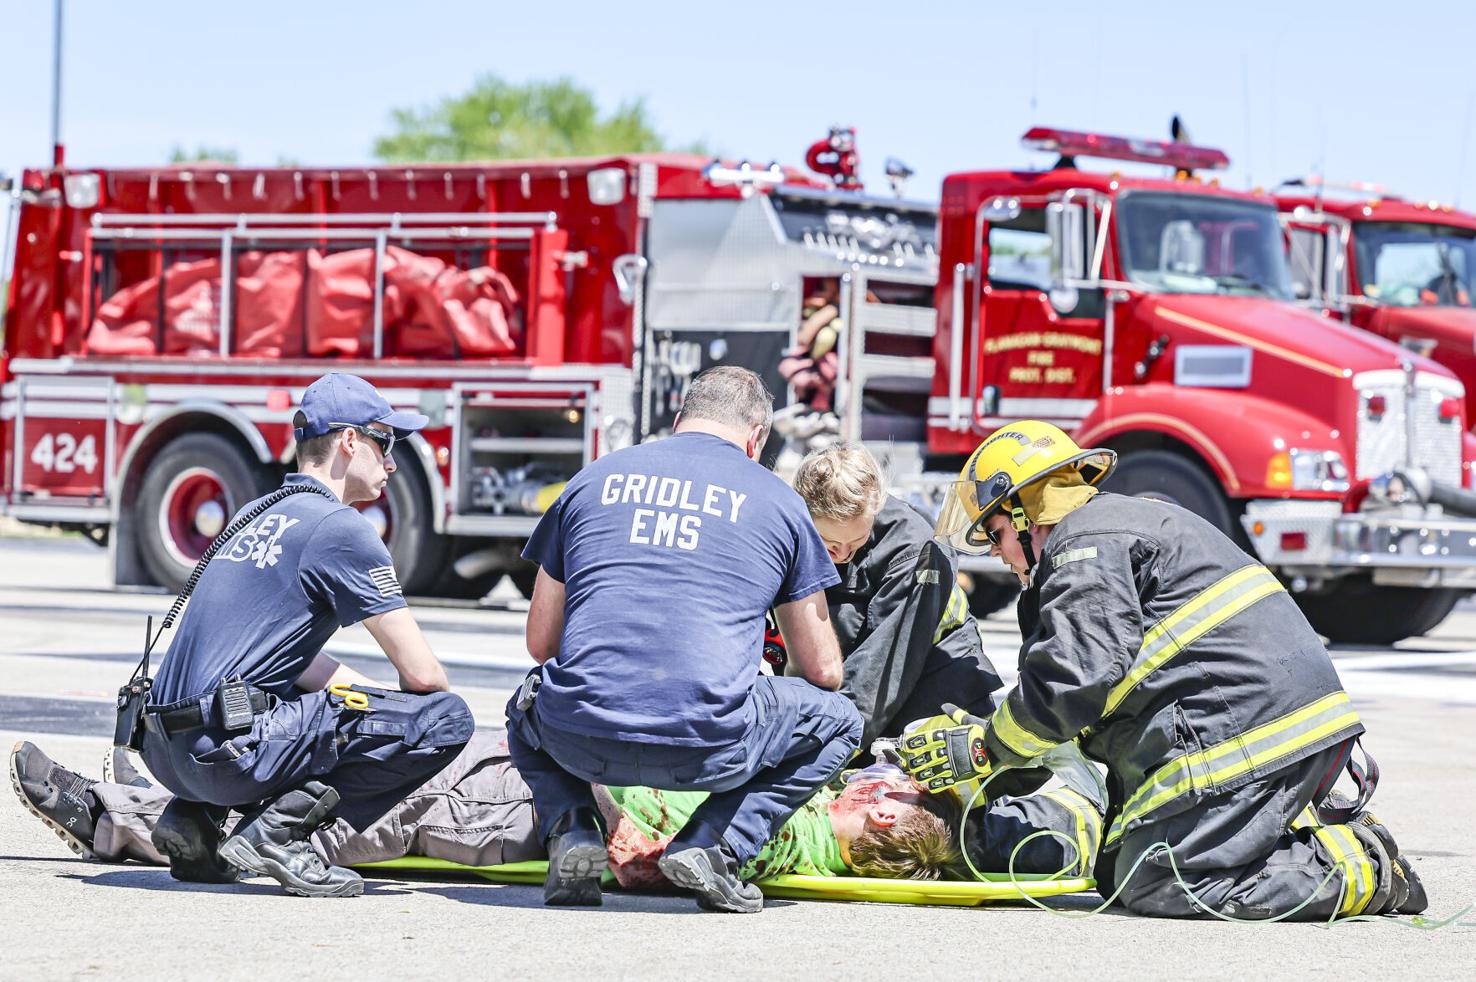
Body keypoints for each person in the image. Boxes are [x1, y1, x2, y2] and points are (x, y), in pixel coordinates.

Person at [899, 420, 1428, 919]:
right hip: (1265, 725)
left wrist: (981, 750)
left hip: (1252, 737)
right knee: (1112, 869)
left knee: (1161, 878)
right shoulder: (1114, 528)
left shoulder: (1084, 543)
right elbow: (1084, 704)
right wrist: (993, 755)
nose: (998, 554)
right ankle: (1301, 836)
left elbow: (1072, 678)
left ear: (1023, 512)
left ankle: (1361, 865)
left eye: (995, 534)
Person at [506, 365, 863, 913]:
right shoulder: (779, 502)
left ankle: (572, 828)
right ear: (757, 437)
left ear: (678, 421)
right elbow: (822, 673)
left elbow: (541, 644)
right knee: (841, 719)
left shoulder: (591, 480)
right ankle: (716, 845)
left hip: (578, 737)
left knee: (528, 699)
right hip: (709, 746)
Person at [136, 372, 474, 898]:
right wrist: (394, 725)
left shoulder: (253, 513)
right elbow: (425, 678)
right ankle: (282, 831)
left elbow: (294, 663)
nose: (391, 462)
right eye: (386, 443)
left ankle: (194, 822)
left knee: (305, 698)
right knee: (446, 721)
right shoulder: (341, 530)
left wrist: (372, 706)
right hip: (228, 754)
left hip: (166, 753)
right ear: (349, 441)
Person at [10, 737, 959, 886]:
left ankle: (110, 815)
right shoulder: (792, 825)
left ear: (880, 823)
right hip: (536, 780)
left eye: (893, 792)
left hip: (518, 810)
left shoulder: (786, 836)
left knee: (351, 807)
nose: (879, 779)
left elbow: (647, 839)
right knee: (361, 760)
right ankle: (165, 799)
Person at [792, 443, 1102, 880]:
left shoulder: (914, 547)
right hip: (871, 714)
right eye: (827, 544)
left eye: (854, 542)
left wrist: (810, 764)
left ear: (876, 510)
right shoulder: (787, 530)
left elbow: (879, 677)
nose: (840, 555)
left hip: (940, 700)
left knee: (938, 829)